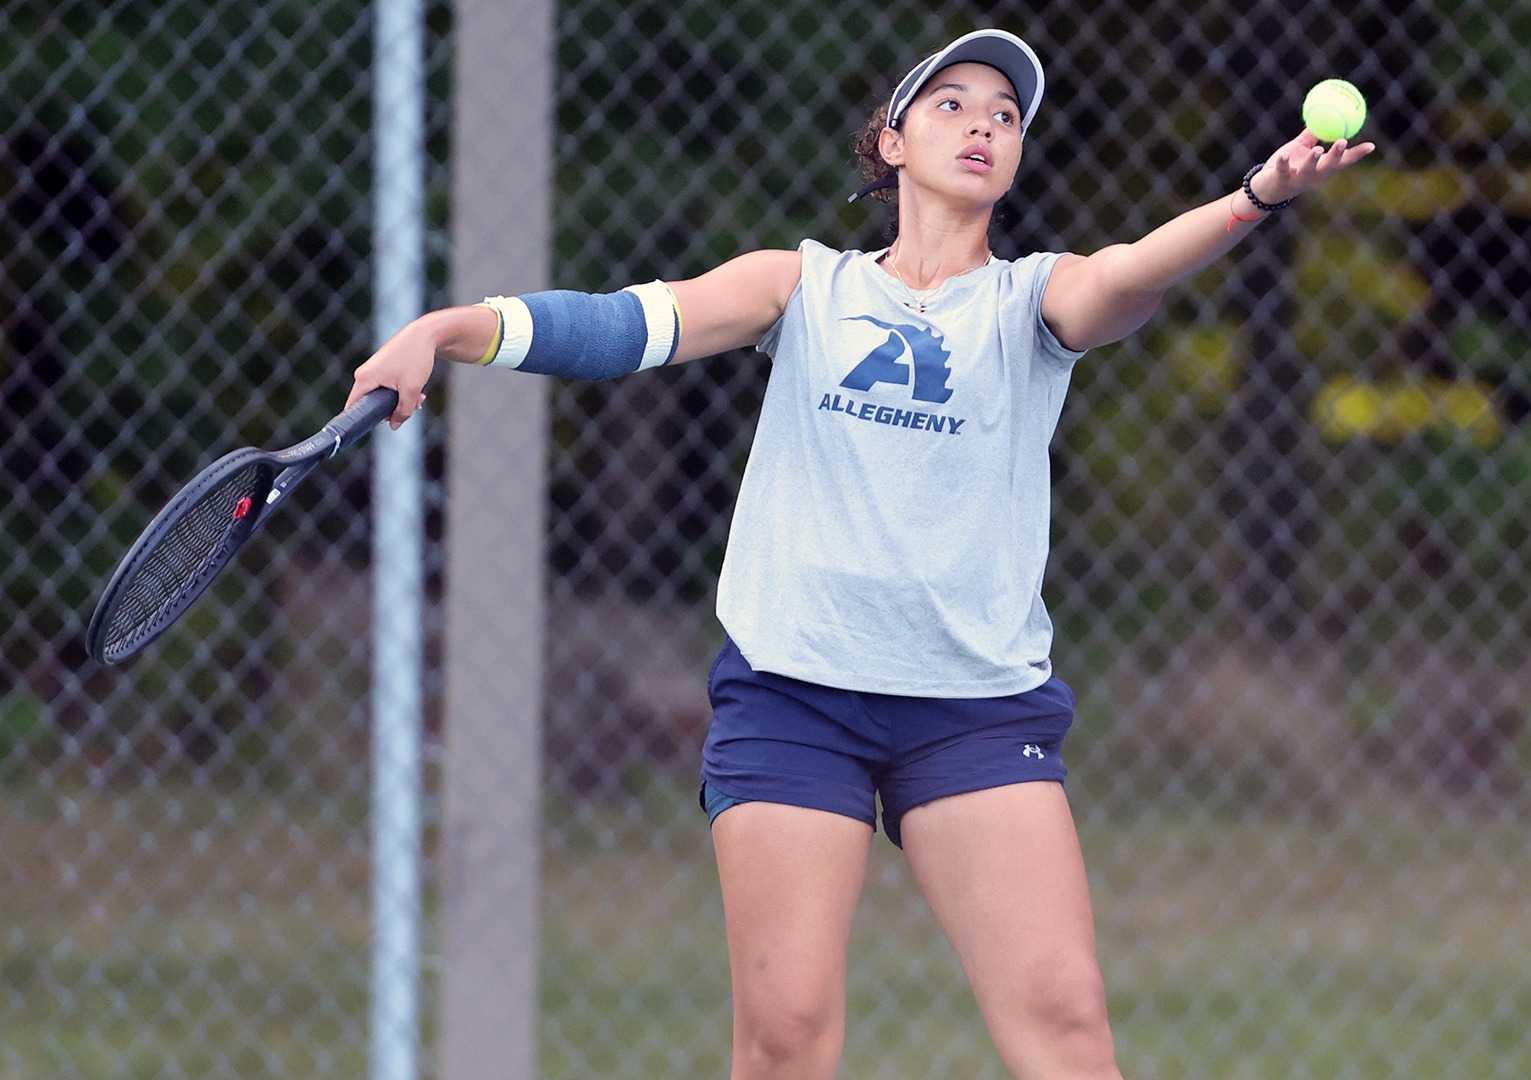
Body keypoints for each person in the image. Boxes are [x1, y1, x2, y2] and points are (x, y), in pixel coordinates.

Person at [348, 27, 1372, 1080]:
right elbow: (624, 328)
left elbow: (1126, 279)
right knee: (785, 1040)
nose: (983, 123)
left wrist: (1257, 195)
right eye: (952, 104)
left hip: (972, 709)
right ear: (889, 141)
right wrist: (448, 328)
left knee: (1065, 1020)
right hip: (796, 700)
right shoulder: (801, 286)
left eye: (1007, 116)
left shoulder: (1030, 302)